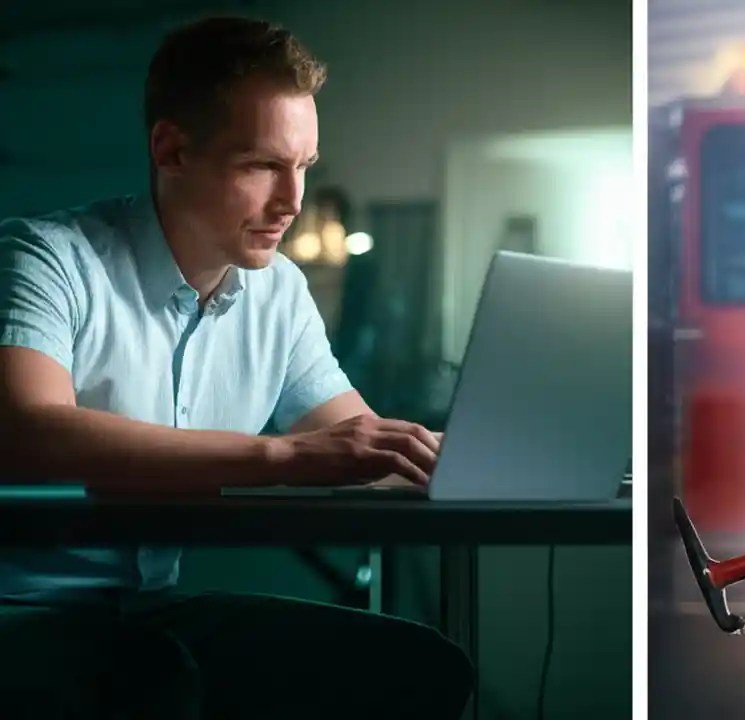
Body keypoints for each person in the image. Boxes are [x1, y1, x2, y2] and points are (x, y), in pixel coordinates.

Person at [0, 16, 472, 719]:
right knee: (153, 682)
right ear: (171, 149)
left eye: (304, 167)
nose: (293, 202)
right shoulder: (47, 257)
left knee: (419, 668)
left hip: (149, 611)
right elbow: (29, 432)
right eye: (261, 166)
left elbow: (356, 442)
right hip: (21, 610)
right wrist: (283, 455)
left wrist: (467, 459)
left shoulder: (278, 289)